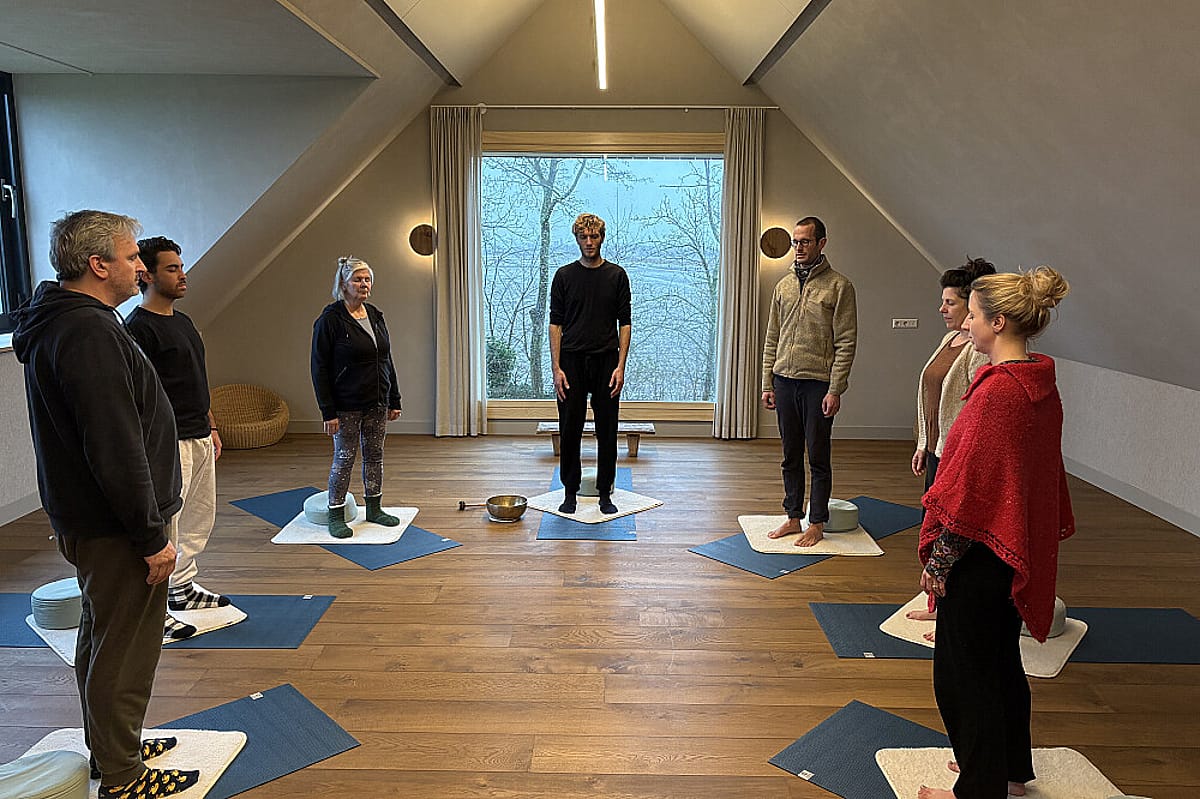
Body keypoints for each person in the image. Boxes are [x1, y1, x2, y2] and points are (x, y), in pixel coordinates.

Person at [12, 211, 200, 797]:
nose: (140, 267)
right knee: (124, 650)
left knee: (101, 634)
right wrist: (150, 536)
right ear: (98, 265)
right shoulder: (87, 332)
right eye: (130, 257)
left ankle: (111, 746)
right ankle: (123, 776)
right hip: (116, 527)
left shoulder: (70, 322)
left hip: (93, 519)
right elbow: (114, 444)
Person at [916, 266, 1074, 799]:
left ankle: (980, 789)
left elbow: (968, 496)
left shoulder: (997, 396)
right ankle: (1008, 771)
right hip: (1011, 550)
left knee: (963, 676)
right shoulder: (1040, 383)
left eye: (974, 314)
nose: (967, 322)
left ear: (997, 322)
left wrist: (938, 565)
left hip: (978, 556)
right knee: (1002, 663)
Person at [126, 236, 231, 642]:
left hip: (199, 434)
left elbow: (195, 381)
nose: (183, 274)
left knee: (198, 518)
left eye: (181, 266)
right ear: (147, 275)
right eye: (172, 268)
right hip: (166, 444)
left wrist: (212, 425)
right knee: (166, 526)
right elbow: (138, 394)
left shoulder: (183, 322)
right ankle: (154, 609)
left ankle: (183, 589)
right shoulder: (137, 329)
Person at [907, 257, 995, 629]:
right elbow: (931, 394)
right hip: (936, 450)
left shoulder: (978, 351)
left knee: (951, 534)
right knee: (932, 527)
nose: (941, 308)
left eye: (951, 303)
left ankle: (948, 610)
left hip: (956, 456)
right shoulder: (949, 339)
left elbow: (971, 411)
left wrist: (948, 450)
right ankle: (936, 601)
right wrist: (923, 444)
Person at [761, 216, 857, 546]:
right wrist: (767, 382)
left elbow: (846, 341)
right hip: (784, 380)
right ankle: (792, 517)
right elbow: (772, 336)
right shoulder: (783, 286)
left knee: (817, 455)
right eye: (795, 242)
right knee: (790, 454)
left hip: (818, 384)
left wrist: (835, 388)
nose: (798, 248)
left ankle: (816, 521)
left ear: (821, 244)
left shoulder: (839, 287)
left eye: (804, 242)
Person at [310, 256, 403, 538]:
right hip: (346, 404)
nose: (364, 284)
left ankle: (374, 508)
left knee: (375, 455)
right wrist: (328, 412)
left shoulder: (375, 315)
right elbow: (319, 367)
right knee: (345, 457)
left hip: (377, 400)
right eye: (357, 279)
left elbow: (386, 359)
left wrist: (394, 398)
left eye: (367, 279)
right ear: (343, 283)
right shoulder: (330, 319)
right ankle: (335, 513)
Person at [549, 213, 632, 515]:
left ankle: (604, 494)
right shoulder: (564, 276)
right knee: (570, 427)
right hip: (571, 361)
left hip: (606, 360)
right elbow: (555, 324)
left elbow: (625, 324)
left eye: (594, 237)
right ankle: (569, 491)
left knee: (607, 429)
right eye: (583, 237)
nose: (589, 242)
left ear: (601, 238)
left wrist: (621, 366)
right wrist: (556, 368)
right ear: (576, 239)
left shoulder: (617, 275)